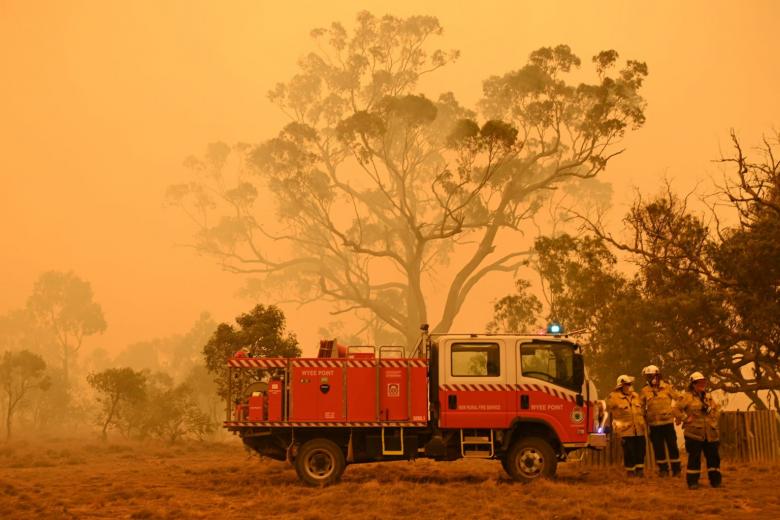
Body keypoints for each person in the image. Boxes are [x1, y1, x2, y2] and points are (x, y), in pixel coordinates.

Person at [674, 371, 722, 489]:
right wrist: (685, 418)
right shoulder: (686, 397)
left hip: (710, 434)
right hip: (694, 434)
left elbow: (717, 411)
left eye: (703, 382)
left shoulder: (708, 396)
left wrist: (713, 415)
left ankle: (716, 482)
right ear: (693, 384)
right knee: (694, 458)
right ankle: (693, 483)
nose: (702, 384)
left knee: (713, 458)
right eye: (698, 383)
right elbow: (675, 410)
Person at [639, 364, 682, 476]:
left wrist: (677, 414)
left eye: (651, 376)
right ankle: (663, 470)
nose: (649, 378)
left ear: (657, 375)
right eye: (647, 376)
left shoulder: (667, 387)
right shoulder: (644, 390)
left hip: (667, 423)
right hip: (653, 425)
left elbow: (680, 400)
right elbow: (641, 406)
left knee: (672, 446)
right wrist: (642, 420)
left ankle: (676, 470)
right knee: (658, 448)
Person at [607, 374, 647, 477]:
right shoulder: (614, 397)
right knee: (629, 452)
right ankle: (630, 471)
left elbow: (641, 409)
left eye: (630, 384)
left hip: (639, 429)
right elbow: (608, 407)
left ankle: (640, 470)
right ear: (621, 386)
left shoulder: (636, 396)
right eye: (627, 384)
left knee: (641, 450)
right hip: (626, 430)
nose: (629, 386)